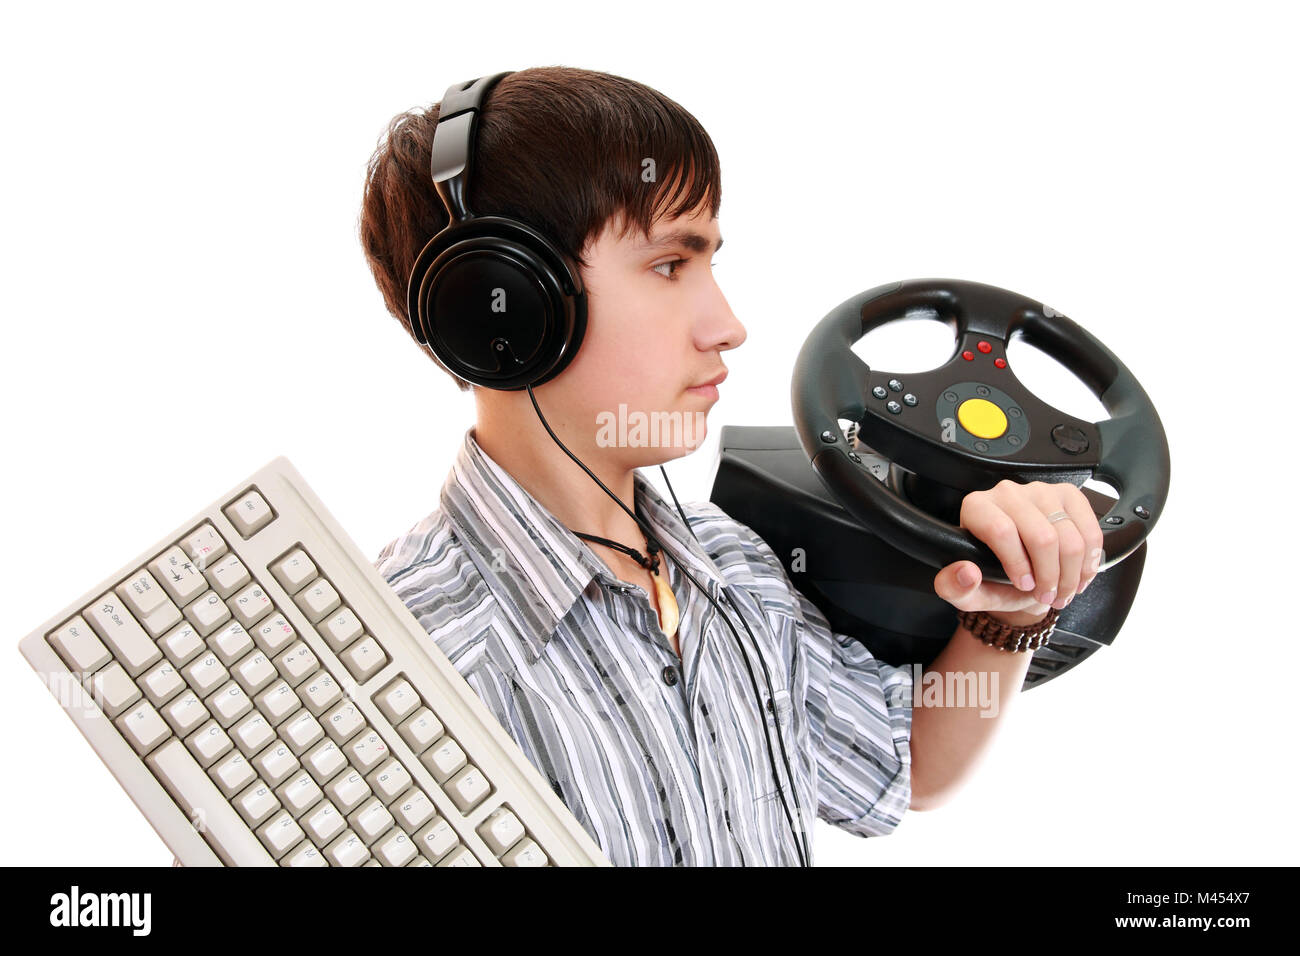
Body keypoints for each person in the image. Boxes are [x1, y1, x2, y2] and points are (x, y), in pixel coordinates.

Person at [358, 66, 1104, 866]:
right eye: (671, 264)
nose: (728, 325)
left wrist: (1008, 617)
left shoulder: (732, 563)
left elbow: (902, 766)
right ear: (503, 303)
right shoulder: (404, 659)